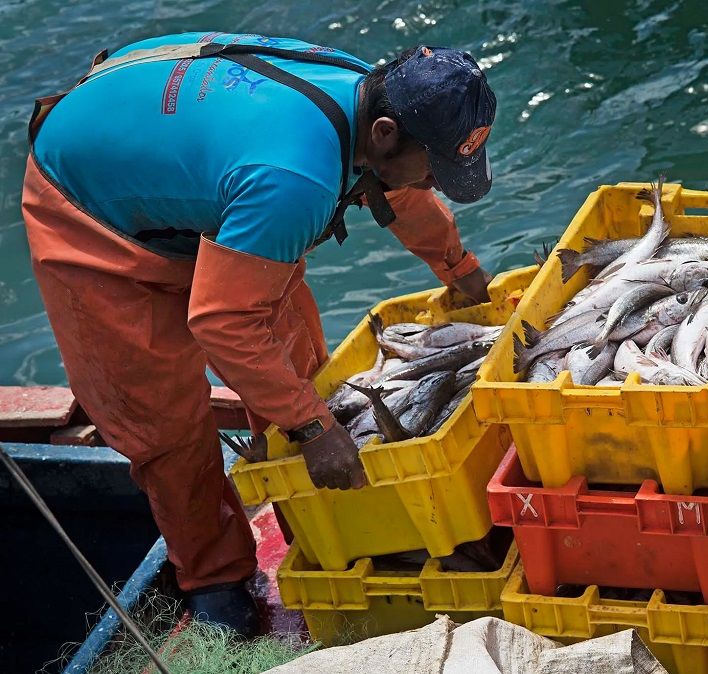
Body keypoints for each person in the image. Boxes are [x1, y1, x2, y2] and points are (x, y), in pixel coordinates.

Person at [21, 32, 498, 636]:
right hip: (86, 203)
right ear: (383, 131)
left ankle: (321, 522)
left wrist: (461, 270)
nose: (435, 181)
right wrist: (315, 429)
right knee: (165, 421)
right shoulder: (294, 177)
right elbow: (221, 323)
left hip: (191, 161)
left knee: (298, 371)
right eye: (436, 166)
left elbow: (401, 187)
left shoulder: (372, 97)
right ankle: (213, 577)